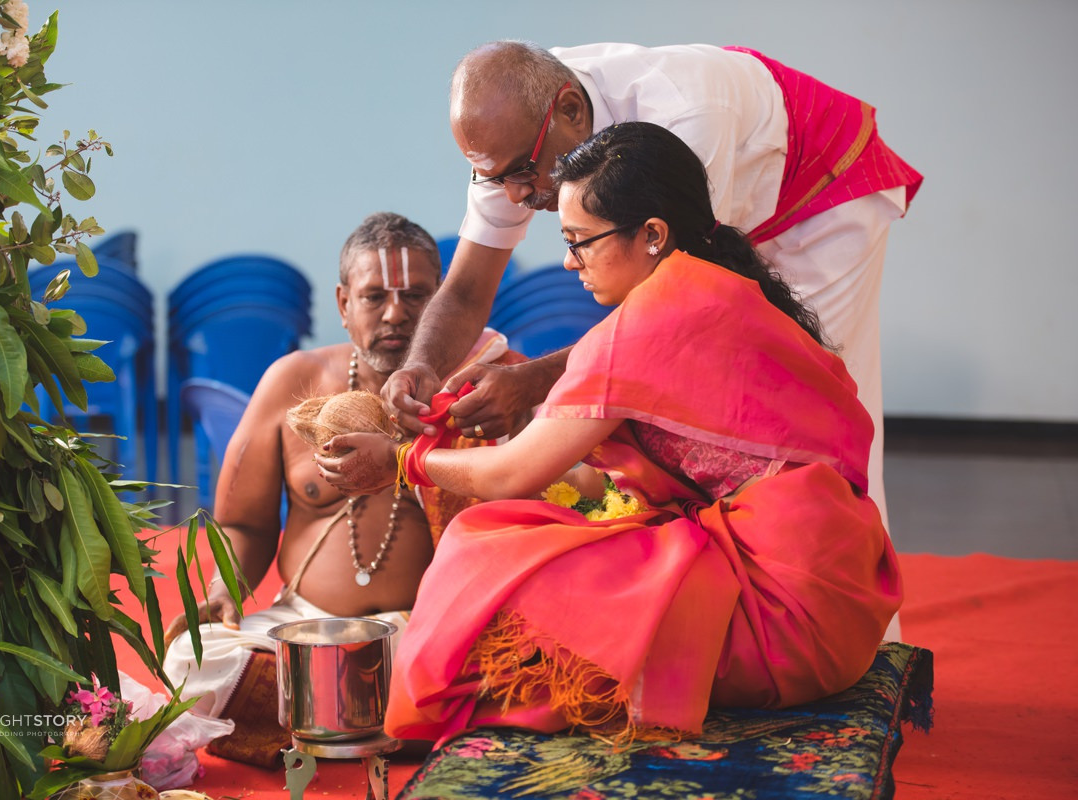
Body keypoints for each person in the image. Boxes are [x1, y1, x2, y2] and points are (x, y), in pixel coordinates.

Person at [319, 123, 902, 745]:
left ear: (652, 234)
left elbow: (511, 474)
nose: (570, 262)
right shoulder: (729, 290)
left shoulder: (644, 325)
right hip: (845, 589)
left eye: (580, 242)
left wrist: (405, 459)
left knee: (486, 548)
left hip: (782, 621)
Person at [383, 41, 923, 559]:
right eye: (492, 178)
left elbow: (667, 325)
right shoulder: (512, 133)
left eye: (522, 174)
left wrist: (528, 385)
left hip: (820, 199)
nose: (515, 196)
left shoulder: (685, 116)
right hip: (709, 239)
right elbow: (468, 287)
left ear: (572, 110)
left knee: (821, 422)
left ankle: (855, 620)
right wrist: (422, 366)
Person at [161, 212, 524, 764]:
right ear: (342, 304)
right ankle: (386, 723)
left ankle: (322, 724)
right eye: (375, 296)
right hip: (305, 627)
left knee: (510, 660)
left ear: (444, 304)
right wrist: (222, 591)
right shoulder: (292, 381)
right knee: (191, 660)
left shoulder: (477, 388)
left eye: (417, 296)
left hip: (424, 631)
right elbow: (243, 524)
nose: (396, 313)